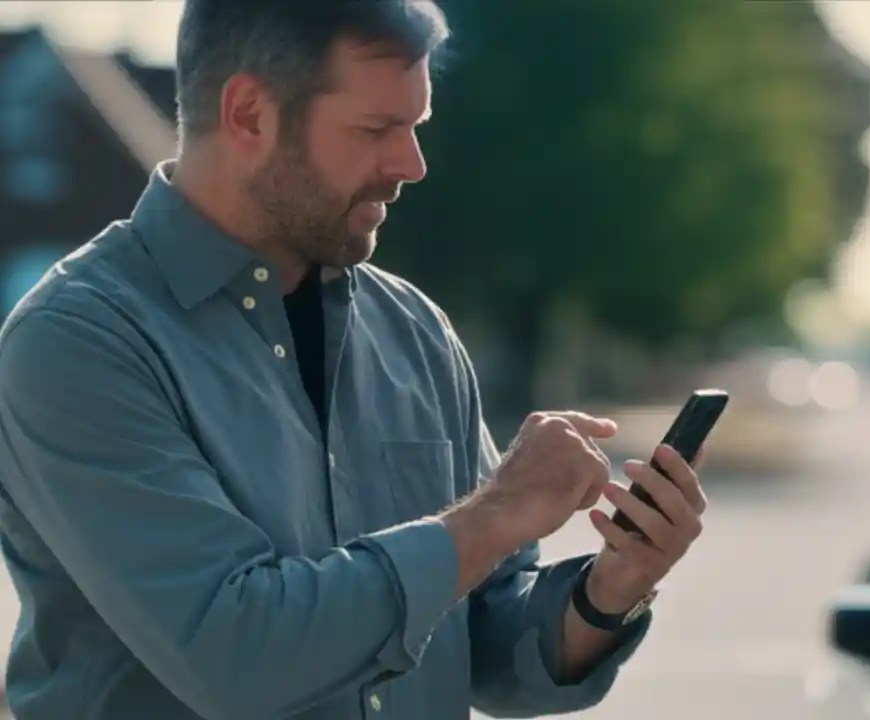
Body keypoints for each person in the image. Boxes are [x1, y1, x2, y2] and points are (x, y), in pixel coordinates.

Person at [0, 1, 709, 717]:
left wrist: (608, 591)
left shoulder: (414, 331)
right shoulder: (76, 343)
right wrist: (496, 513)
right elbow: (237, 656)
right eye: (376, 129)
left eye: (415, 126)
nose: (411, 165)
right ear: (248, 113)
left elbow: (484, 641)